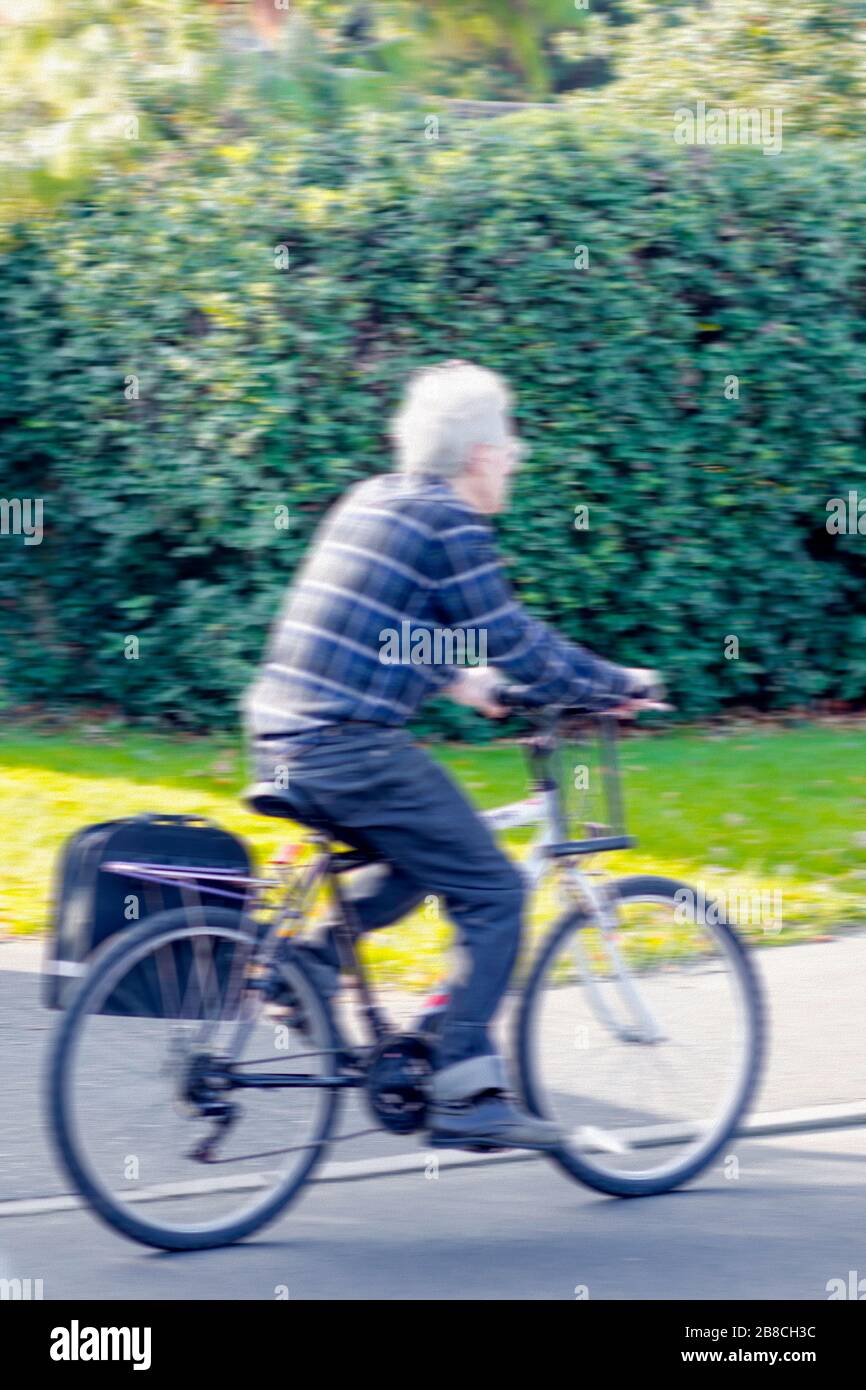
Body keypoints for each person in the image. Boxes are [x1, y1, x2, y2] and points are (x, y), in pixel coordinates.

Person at [246, 361, 659, 1149]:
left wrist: (465, 684)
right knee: (497, 892)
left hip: (280, 736)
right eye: (509, 444)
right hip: (345, 745)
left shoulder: (377, 499)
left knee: (424, 858)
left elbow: (392, 629)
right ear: (477, 454)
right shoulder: (451, 520)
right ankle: (466, 1087)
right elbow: (514, 637)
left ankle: (305, 966)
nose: (517, 456)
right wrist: (611, 685)